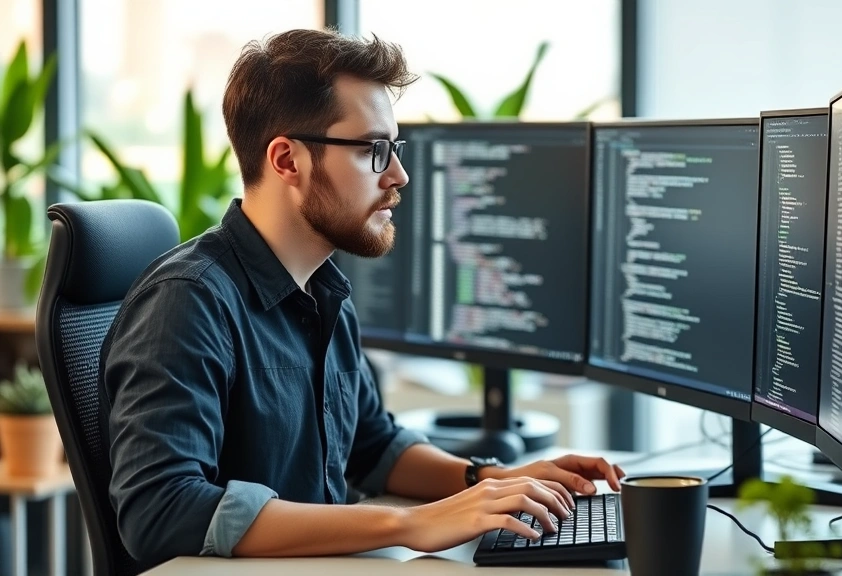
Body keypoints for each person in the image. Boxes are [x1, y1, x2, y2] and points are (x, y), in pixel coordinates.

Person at [98, 28, 625, 570]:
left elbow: (372, 444)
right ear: (287, 160)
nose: (399, 175)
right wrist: (413, 524)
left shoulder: (322, 288)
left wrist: (490, 479)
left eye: (394, 149)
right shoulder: (189, 302)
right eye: (375, 150)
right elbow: (159, 510)